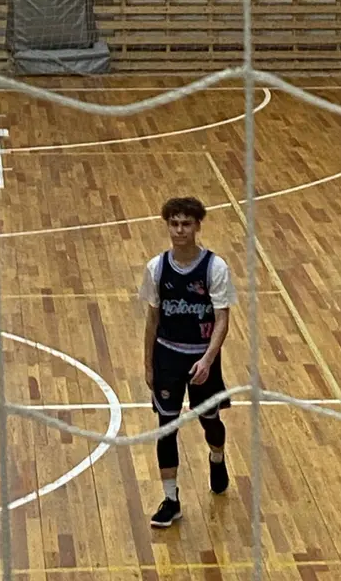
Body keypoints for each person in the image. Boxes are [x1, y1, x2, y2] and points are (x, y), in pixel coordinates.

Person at [139, 196, 237, 528]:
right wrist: (148, 364)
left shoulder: (215, 267)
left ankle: (217, 456)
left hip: (201, 356)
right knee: (166, 428)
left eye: (186, 224)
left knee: (210, 421)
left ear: (197, 226)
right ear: (168, 226)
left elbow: (222, 319)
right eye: (174, 224)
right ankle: (171, 499)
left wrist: (208, 359)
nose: (179, 230)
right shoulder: (156, 268)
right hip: (167, 355)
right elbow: (152, 319)